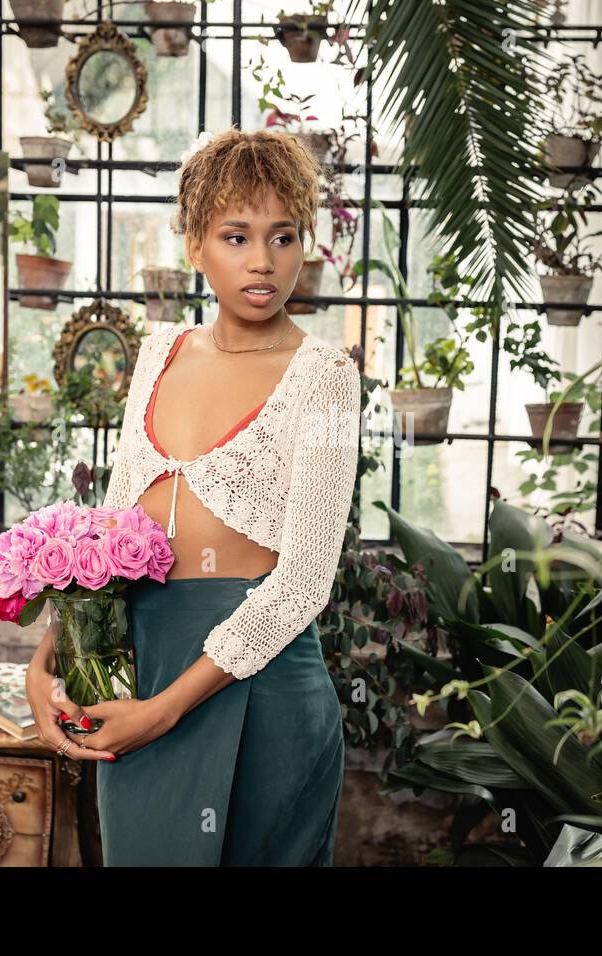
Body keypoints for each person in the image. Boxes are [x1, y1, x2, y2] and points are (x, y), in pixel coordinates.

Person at [24, 128, 361, 866]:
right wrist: (46, 660)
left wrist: (163, 712)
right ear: (194, 244)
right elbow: (108, 537)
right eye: (236, 235)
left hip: (263, 686)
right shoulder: (159, 352)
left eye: (283, 236)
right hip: (137, 668)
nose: (263, 260)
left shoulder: (325, 375)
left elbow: (303, 582)